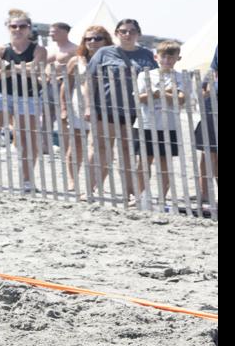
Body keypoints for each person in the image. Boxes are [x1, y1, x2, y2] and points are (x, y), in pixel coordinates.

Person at [87, 17, 155, 206]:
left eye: (131, 31)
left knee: (127, 151)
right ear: (117, 33)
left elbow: (154, 78)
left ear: (138, 34)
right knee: (101, 149)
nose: (127, 34)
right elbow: (90, 80)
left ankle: (130, 192)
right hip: (105, 108)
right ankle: (91, 188)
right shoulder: (104, 52)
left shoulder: (146, 55)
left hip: (134, 111)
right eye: (123, 31)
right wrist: (88, 106)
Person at [0, 9, 48, 191]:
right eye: (14, 26)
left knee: (28, 138)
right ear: (8, 27)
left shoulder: (39, 49)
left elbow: (35, 67)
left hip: (28, 95)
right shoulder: (0, 48)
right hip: (1, 93)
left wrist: (7, 68)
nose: (18, 29)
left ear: (29, 28)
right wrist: (23, 68)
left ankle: (27, 180)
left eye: (22, 26)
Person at [134, 40, 187, 212]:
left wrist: (158, 93)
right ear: (156, 57)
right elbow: (139, 97)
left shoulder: (181, 77)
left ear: (178, 58)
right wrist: (166, 92)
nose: (167, 60)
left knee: (165, 163)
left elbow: (181, 100)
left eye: (171, 57)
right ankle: (141, 197)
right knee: (143, 161)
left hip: (168, 126)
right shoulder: (145, 75)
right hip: (146, 124)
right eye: (164, 57)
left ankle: (163, 199)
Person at [59, 25, 107, 198]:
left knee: (99, 146)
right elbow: (66, 85)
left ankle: (94, 184)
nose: (92, 42)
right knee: (77, 143)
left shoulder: (110, 58)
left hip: (105, 106)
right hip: (78, 105)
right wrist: (63, 108)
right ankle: (72, 179)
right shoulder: (76, 60)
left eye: (97, 38)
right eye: (88, 39)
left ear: (106, 40)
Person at [193, 44, 216, 215]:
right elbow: (213, 70)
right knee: (209, 152)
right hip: (213, 105)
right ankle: (205, 195)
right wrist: (205, 86)